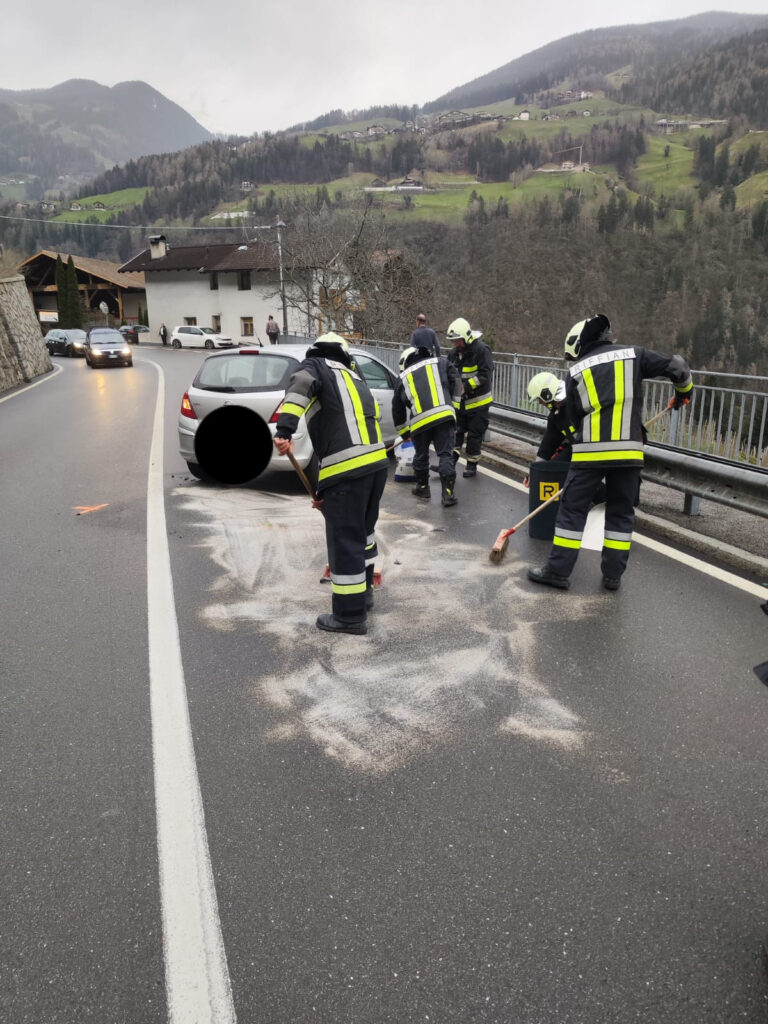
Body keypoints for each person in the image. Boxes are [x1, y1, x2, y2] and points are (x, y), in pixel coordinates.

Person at [527, 314, 694, 592]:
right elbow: (678, 366)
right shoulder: (635, 355)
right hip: (629, 451)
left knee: (572, 511)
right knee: (620, 513)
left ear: (581, 344)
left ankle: (557, 572)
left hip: (590, 453)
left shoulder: (576, 371)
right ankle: (613, 577)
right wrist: (683, 393)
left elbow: (573, 418)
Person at [273, 332, 389, 635]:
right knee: (363, 533)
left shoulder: (315, 366)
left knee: (344, 540)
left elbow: (298, 388)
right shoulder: (355, 376)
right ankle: (364, 594)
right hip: (375, 467)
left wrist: (284, 430)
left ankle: (349, 617)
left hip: (347, 470)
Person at [392, 344, 461, 507]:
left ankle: (423, 488)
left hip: (419, 422)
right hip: (444, 415)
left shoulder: (403, 377)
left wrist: (404, 433)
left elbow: (397, 409)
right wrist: (454, 407)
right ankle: (448, 495)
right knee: (445, 454)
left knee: (421, 455)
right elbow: (457, 382)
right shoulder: (441, 362)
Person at [446, 316, 494, 478]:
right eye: (453, 341)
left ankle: (472, 465)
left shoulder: (481, 350)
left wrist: (465, 387)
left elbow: (485, 374)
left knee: (474, 436)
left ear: (466, 337)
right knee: (455, 433)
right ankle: (450, 462)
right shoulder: (453, 353)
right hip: (460, 404)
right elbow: (449, 373)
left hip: (478, 403)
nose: (455, 344)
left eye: (457, 340)